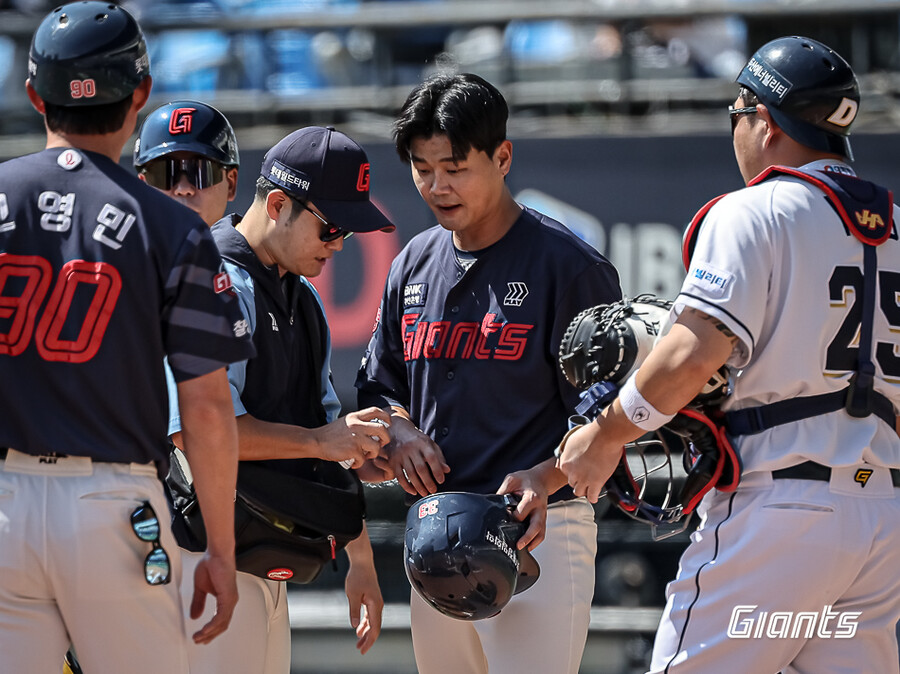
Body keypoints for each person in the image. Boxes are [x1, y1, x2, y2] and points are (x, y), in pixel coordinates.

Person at [557, 36, 900, 673]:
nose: (735, 131)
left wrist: (608, 433)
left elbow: (690, 354)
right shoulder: (898, 223)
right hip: (879, 518)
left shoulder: (754, 210)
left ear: (766, 124)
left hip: (778, 511)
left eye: (738, 115)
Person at [0, 4, 254, 673]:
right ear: (140, 93)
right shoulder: (171, 226)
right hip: (112, 508)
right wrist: (222, 554)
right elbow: (204, 406)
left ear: (34, 95)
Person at [355, 72, 622, 674]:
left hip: (536, 531)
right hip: (434, 532)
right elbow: (378, 386)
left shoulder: (570, 267)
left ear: (502, 156)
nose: (437, 185)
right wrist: (397, 430)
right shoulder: (413, 261)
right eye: (423, 168)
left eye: (455, 166)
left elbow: (614, 416)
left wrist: (547, 474)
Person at [153, 122, 396, 673]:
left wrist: (360, 559)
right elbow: (194, 433)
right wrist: (319, 441)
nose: (338, 244)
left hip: (264, 557)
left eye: (347, 234)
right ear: (280, 203)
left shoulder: (302, 297)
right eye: (331, 227)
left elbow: (327, 438)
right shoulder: (210, 278)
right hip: (197, 555)